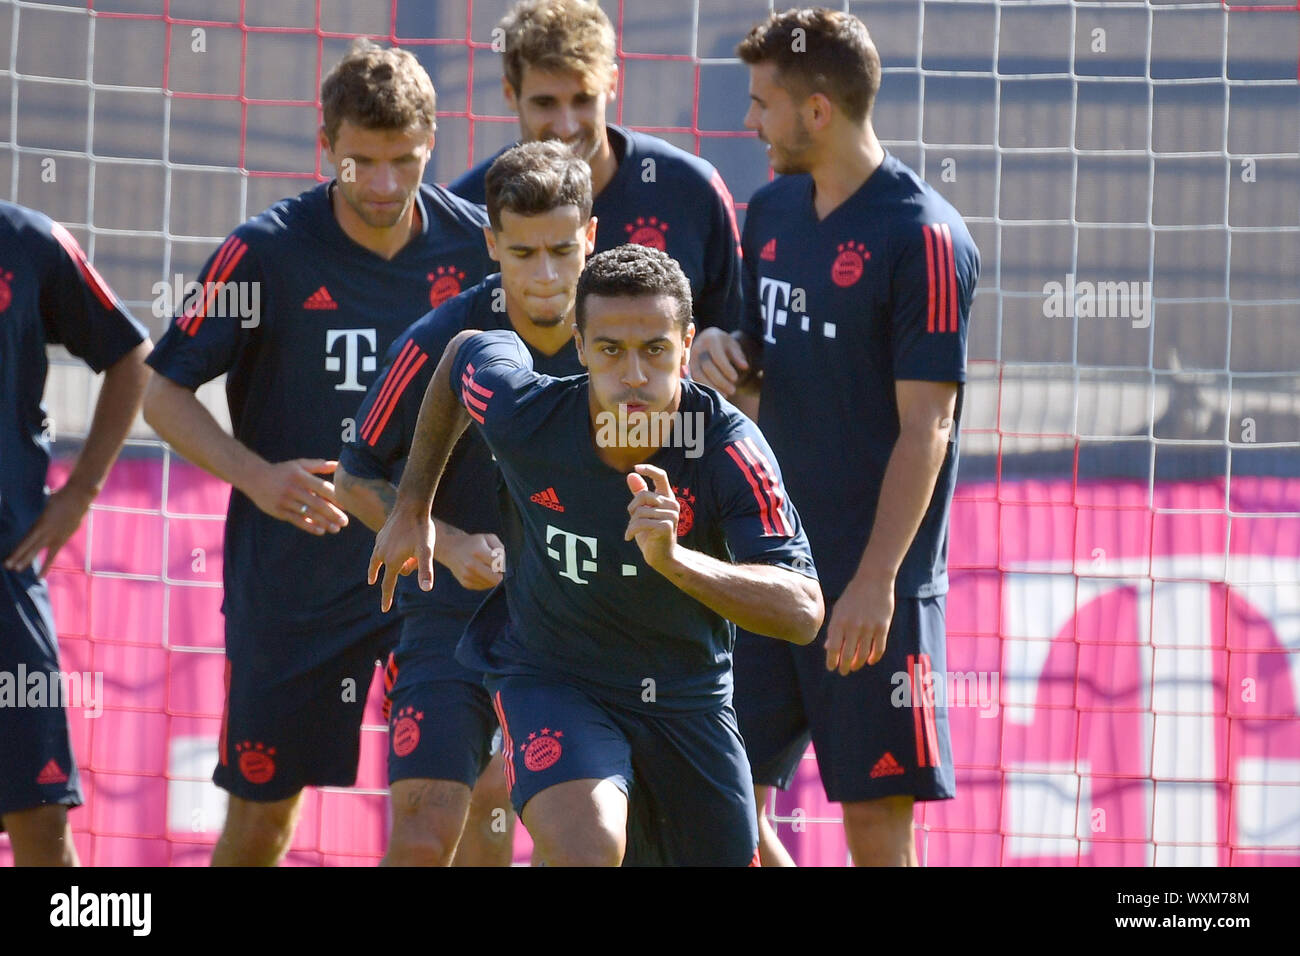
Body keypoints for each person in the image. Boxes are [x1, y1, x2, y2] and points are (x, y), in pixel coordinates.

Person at [142, 40, 494, 866]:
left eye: (403, 161)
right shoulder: (265, 251)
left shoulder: (481, 249)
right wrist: (259, 478)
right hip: (294, 578)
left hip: (430, 581)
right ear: (324, 145)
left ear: (432, 144)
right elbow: (162, 393)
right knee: (262, 819)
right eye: (359, 162)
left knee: (452, 812)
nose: (381, 185)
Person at [368, 245, 824, 866]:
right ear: (579, 347)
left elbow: (802, 611)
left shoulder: (727, 450)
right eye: (610, 349)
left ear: (686, 346)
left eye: (655, 350)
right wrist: (413, 504)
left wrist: (675, 561)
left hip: (687, 697)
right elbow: (461, 352)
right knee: (590, 846)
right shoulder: (523, 413)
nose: (633, 373)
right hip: (553, 677)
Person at [690, 8, 981, 867]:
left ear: (817, 111)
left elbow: (928, 426)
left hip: (869, 590)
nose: (751, 123)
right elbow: (755, 364)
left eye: (763, 104)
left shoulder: (924, 237)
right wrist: (722, 353)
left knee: (876, 831)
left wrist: (877, 582)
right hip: (770, 567)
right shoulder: (772, 209)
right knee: (712, 796)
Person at [336, 140, 596, 866]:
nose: (545, 276)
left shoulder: (624, 332)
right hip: (449, 615)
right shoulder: (440, 337)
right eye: (522, 254)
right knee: (423, 833)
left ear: (591, 240)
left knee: (580, 838)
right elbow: (353, 479)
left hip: (580, 620)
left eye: (561, 251)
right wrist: (446, 543)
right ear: (490, 243)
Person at [0, 201, 152, 865]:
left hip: (5, 581)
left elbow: (132, 356)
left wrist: (82, 491)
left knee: (39, 822)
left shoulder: (27, 241)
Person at [449, 0, 743, 332]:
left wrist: (720, 347)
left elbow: (738, 337)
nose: (566, 125)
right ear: (509, 93)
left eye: (583, 99)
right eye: (545, 103)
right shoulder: (467, 208)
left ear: (612, 85)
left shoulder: (692, 191)